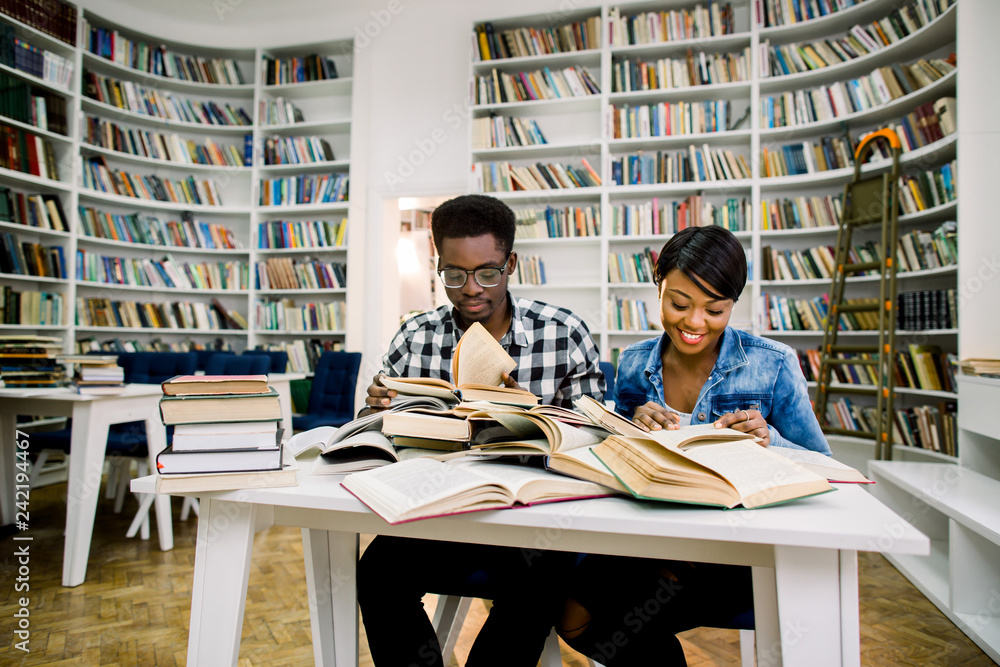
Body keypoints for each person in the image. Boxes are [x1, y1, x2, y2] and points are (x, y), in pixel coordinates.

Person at [555, 225, 831, 666]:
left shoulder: (772, 363)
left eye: (715, 309)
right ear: (658, 286)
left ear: (734, 304)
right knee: (569, 615)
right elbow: (620, 461)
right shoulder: (635, 362)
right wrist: (628, 428)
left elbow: (823, 467)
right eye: (679, 304)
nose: (694, 323)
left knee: (629, 615)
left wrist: (768, 439)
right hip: (650, 536)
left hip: (733, 548)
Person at [357, 193, 606, 667]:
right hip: (439, 512)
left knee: (541, 576)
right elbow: (374, 436)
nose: (471, 289)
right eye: (455, 274)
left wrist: (530, 415)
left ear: (511, 263)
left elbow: (596, 437)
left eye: (487, 272)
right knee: (377, 572)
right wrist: (379, 412)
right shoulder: (416, 336)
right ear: (439, 267)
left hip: (530, 520)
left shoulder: (564, 332)